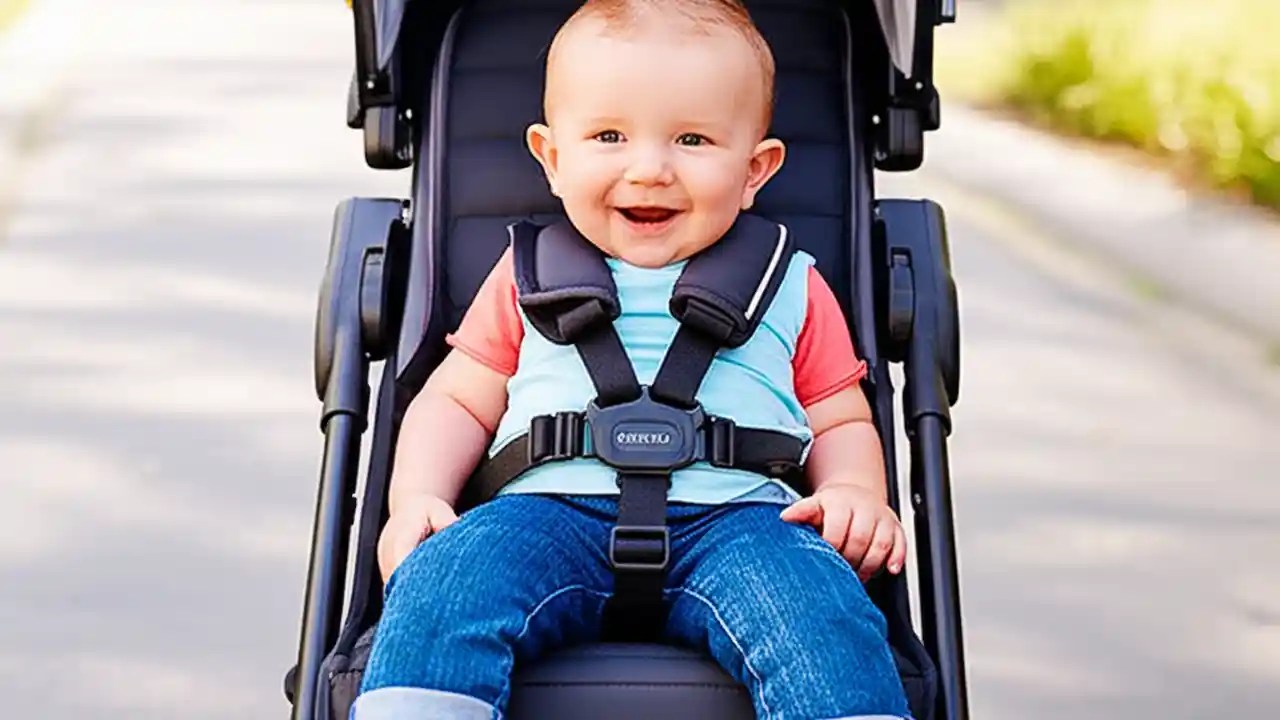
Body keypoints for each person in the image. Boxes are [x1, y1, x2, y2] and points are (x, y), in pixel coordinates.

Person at [351, 1, 912, 718]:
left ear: (756, 169)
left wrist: (856, 494)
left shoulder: (791, 281)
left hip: (742, 521)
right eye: (609, 136)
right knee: (445, 585)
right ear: (553, 158)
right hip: (544, 511)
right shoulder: (527, 272)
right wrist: (417, 499)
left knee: (824, 612)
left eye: (693, 140)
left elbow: (839, 417)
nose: (650, 169)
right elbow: (457, 399)